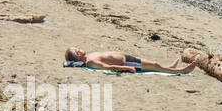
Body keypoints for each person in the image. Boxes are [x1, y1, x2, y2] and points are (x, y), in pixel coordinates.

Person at [65, 47, 196, 74]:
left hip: (126, 57)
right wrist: (126, 68)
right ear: (77, 56)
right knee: (154, 66)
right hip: (126, 63)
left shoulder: (90, 55)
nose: (81, 49)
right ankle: (181, 71)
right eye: (78, 50)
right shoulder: (90, 62)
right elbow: (107, 67)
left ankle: (170, 67)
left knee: (154, 64)